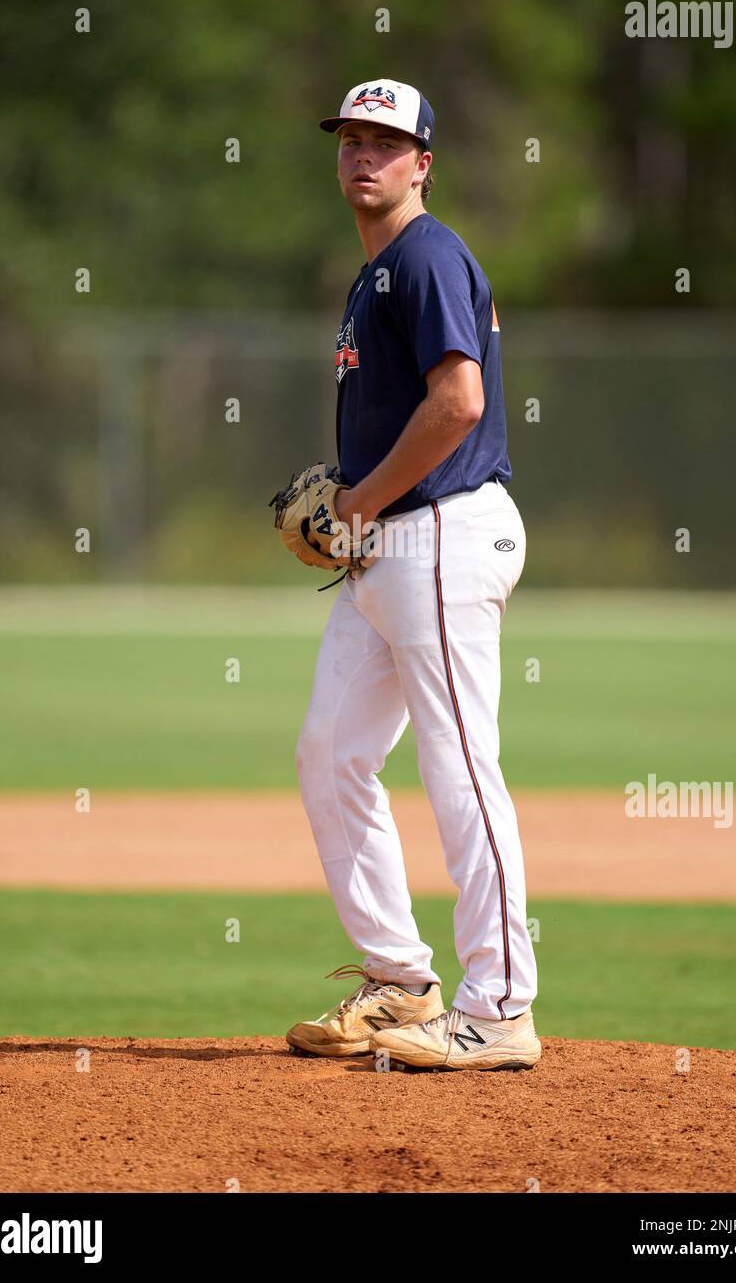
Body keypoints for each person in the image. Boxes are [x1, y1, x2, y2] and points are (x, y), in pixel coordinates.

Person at [285, 79, 540, 1072]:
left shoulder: (427, 255)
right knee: (330, 751)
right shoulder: (374, 270)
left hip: (437, 535)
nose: (363, 154)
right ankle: (399, 977)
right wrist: (360, 508)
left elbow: (457, 402)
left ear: (421, 162)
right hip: (390, 548)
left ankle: (500, 1006)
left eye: (386, 141)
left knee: (459, 764)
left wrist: (352, 503)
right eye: (350, 137)